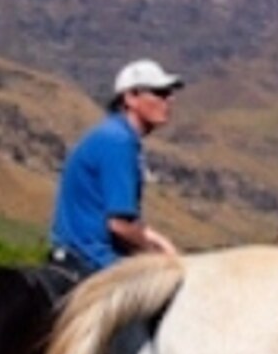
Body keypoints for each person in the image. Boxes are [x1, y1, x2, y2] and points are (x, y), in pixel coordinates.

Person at [49, 59, 186, 281]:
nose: (169, 100)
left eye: (169, 93)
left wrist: (160, 241)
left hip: (75, 256)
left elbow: (126, 220)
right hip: (94, 263)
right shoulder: (119, 142)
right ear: (130, 98)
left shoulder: (111, 135)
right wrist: (157, 257)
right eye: (159, 93)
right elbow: (120, 225)